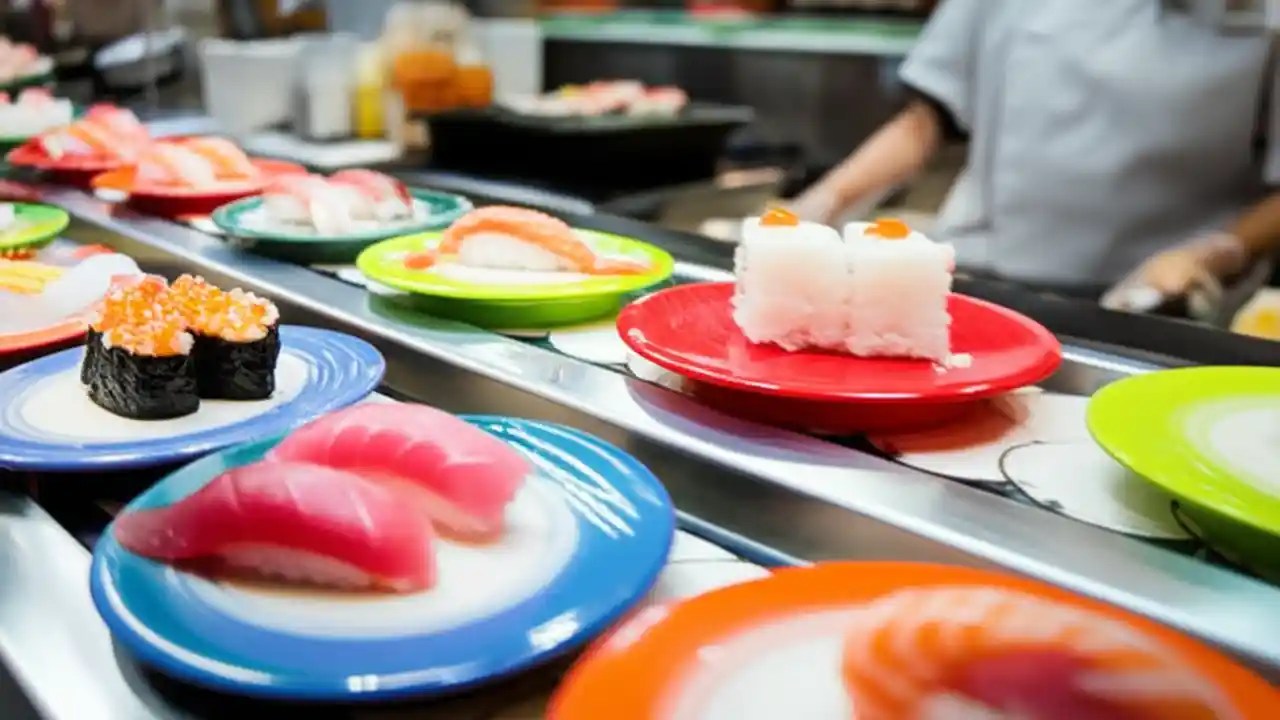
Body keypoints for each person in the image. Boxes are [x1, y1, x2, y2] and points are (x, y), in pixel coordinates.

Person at [793, 0, 1280, 309]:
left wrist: (1218, 251)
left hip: (1151, 303)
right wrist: (819, 205)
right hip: (975, 277)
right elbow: (926, 122)